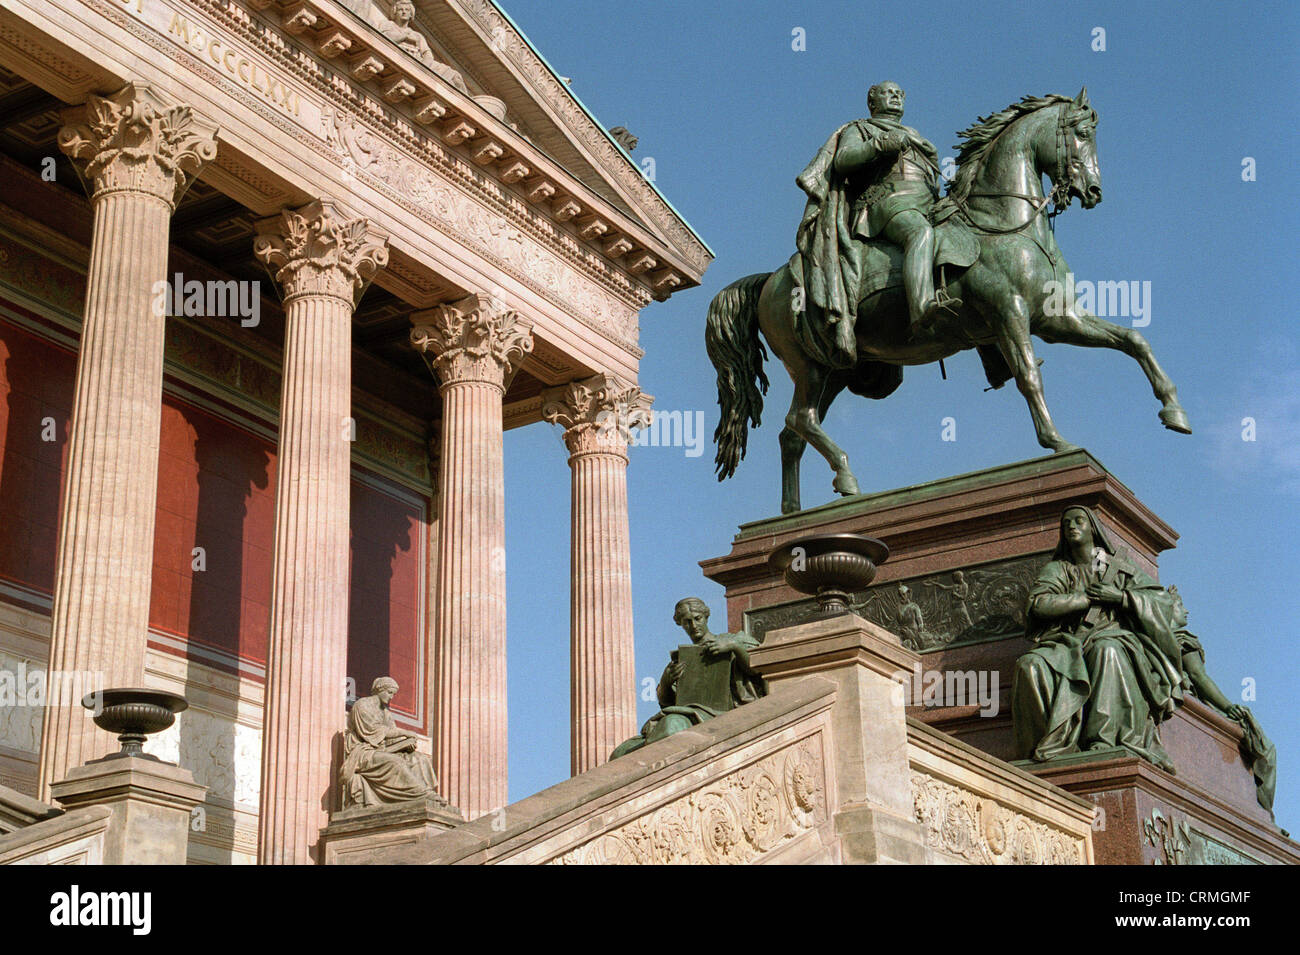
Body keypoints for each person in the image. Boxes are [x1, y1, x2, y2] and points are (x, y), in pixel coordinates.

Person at [795, 81, 959, 365]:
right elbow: (843, 161)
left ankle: (993, 354)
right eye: (888, 92)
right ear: (872, 101)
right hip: (885, 203)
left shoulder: (915, 135)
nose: (895, 96)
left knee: (974, 244)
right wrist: (880, 144)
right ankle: (921, 307)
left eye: (899, 93)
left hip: (925, 203)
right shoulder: (859, 129)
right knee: (918, 233)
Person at [1011, 506, 1186, 773]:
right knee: (1029, 664)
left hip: (1111, 635)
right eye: (1066, 522)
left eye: (1079, 521)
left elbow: (1160, 601)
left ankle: (1102, 739)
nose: (1072, 526)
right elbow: (1038, 604)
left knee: (1107, 650)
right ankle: (1046, 746)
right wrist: (1083, 600)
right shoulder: (1059, 569)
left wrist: (1122, 598)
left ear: (1093, 528)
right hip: (1067, 642)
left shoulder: (1114, 566)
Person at [609, 598, 765, 759]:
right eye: (687, 622)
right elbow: (667, 702)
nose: (694, 626)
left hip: (718, 714)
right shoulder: (682, 658)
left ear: (706, 617)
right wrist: (666, 681)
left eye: (698, 619)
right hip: (690, 714)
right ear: (681, 624)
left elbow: (757, 669)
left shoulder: (732, 641)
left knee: (671, 725)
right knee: (620, 752)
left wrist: (734, 647)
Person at [340, 676, 441, 808]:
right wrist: (405, 733)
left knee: (419, 758)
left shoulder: (386, 712)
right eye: (389, 692)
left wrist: (406, 743)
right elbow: (374, 731)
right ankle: (421, 794)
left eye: (393, 693)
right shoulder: (363, 705)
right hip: (363, 753)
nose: (391, 697)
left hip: (382, 751)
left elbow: (392, 736)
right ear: (379, 689)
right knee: (395, 761)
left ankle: (427, 792)